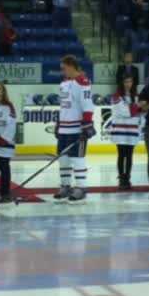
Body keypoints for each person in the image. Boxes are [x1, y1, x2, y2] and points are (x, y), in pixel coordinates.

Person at [53, 55, 95, 203]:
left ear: (71, 66)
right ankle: (65, 186)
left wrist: (87, 125)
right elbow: (63, 106)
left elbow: (87, 105)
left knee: (77, 159)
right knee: (63, 159)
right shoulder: (64, 83)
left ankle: (81, 187)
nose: (62, 71)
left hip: (77, 129)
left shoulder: (82, 82)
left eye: (64, 68)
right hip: (64, 129)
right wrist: (59, 124)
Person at [109, 74, 142, 190]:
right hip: (120, 130)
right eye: (126, 82)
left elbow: (140, 113)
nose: (128, 84)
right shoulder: (116, 96)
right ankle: (121, 179)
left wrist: (139, 110)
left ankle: (127, 178)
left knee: (129, 155)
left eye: (130, 82)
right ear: (122, 83)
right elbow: (124, 112)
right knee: (121, 155)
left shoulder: (136, 96)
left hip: (132, 130)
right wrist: (137, 107)